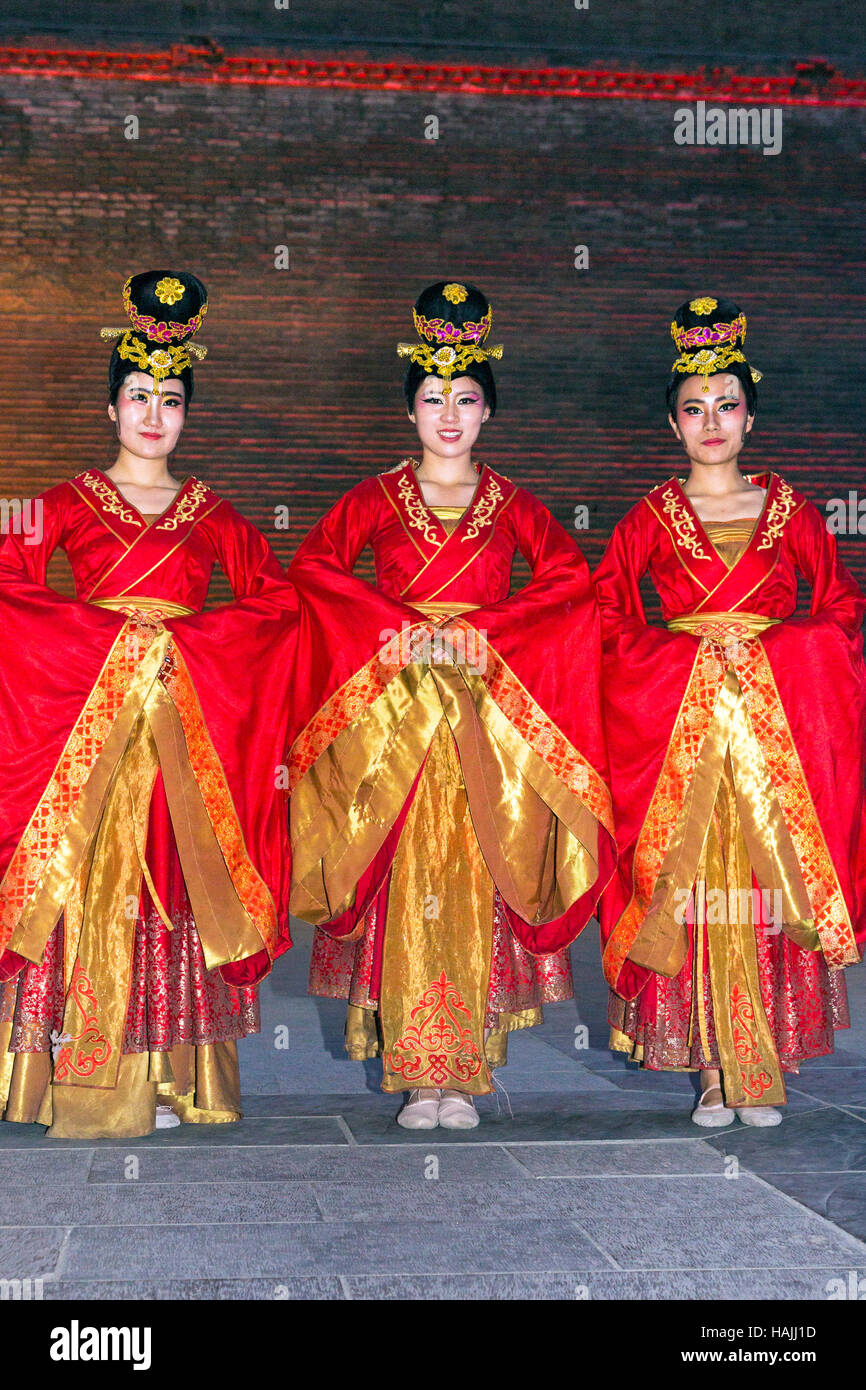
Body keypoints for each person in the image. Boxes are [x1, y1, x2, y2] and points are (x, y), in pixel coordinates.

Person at [287, 281, 615, 1129]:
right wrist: (397, 629)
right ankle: (413, 1072)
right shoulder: (374, 498)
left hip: (480, 723)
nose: (448, 415)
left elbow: (569, 583)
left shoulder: (513, 506)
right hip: (396, 723)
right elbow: (317, 570)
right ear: (410, 409)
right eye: (433, 398)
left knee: (473, 879)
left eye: (466, 400)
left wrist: (486, 633)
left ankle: (462, 1074)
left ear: (487, 411)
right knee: (403, 882)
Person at [0, 271, 293, 1138]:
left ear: (186, 412)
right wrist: (98, 638)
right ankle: (62, 1075)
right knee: (86, 886)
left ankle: (167, 1078)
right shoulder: (60, 504)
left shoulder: (212, 516)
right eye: (137, 396)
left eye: (170, 398)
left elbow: (273, 602)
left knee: (171, 886)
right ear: (112, 407)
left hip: (175, 731)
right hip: (89, 732)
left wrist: (187, 646)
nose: (153, 414)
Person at [595, 295, 866, 1127]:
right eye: (693, 409)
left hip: (771, 731)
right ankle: (713, 1068)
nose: (711, 422)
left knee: (763, 886)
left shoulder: (791, 512)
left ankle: (763, 1063)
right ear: (672, 424)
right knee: (695, 890)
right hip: (686, 733)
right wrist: (686, 657)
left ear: (751, 415)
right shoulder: (651, 517)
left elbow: (843, 610)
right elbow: (606, 619)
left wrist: (776, 653)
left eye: (726, 406)